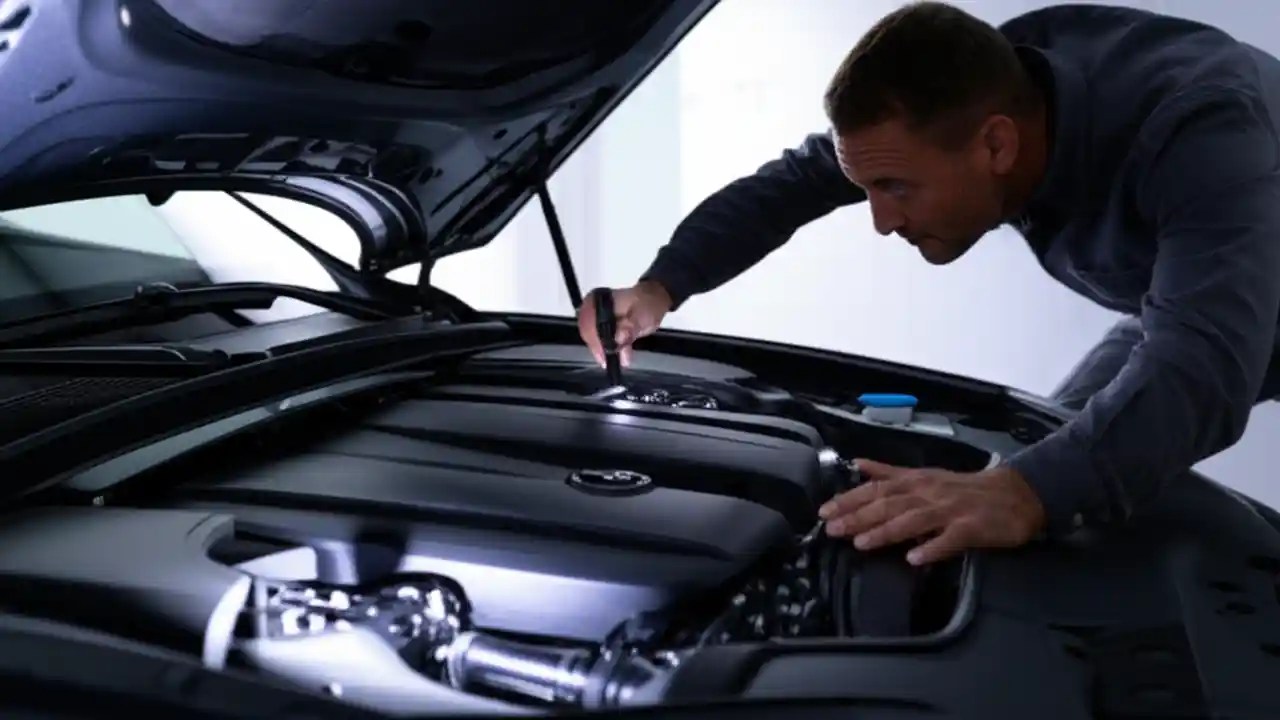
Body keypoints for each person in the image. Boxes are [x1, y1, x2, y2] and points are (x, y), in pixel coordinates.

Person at [576, 1, 1280, 565]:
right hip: (1197, 300)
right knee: (1042, 459)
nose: (881, 221)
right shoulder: (980, 97)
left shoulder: (1200, 127)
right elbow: (792, 186)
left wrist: (1028, 492)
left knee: (1045, 481)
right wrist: (660, 288)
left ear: (997, 146)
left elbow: (1206, 363)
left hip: (1228, 310)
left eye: (895, 189)